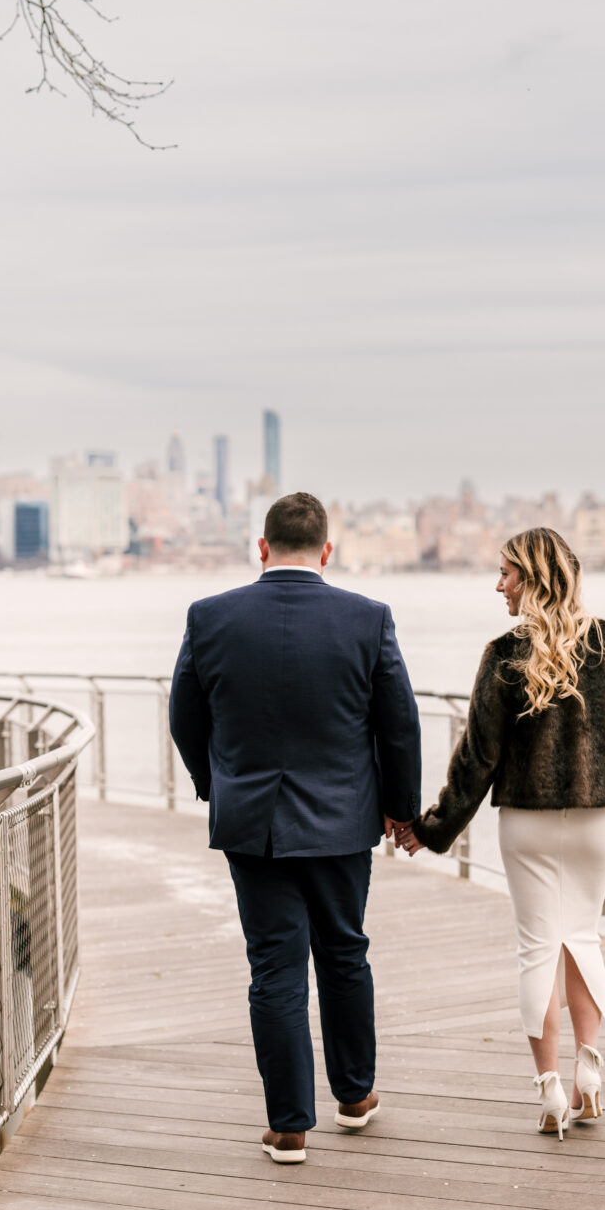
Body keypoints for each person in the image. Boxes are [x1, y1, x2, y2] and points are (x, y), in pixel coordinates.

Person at [169, 492, 421, 1164]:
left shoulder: (210, 616)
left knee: (274, 967)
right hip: (344, 821)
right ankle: (355, 1097)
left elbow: (184, 717)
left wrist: (215, 784)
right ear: (326, 551)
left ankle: (288, 1128)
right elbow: (398, 724)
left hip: (252, 822)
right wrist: (401, 808)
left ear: (262, 547)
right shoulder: (367, 618)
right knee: (344, 953)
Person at [397, 527, 605, 1139]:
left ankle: (549, 1090)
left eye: (506, 574)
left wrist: (433, 830)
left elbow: (477, 758)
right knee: (582, 937)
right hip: (600, 817)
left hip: (526, 819)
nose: (498, 586)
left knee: (538, 947)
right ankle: (589, 1074)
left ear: (534, 578)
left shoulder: (504, 654)